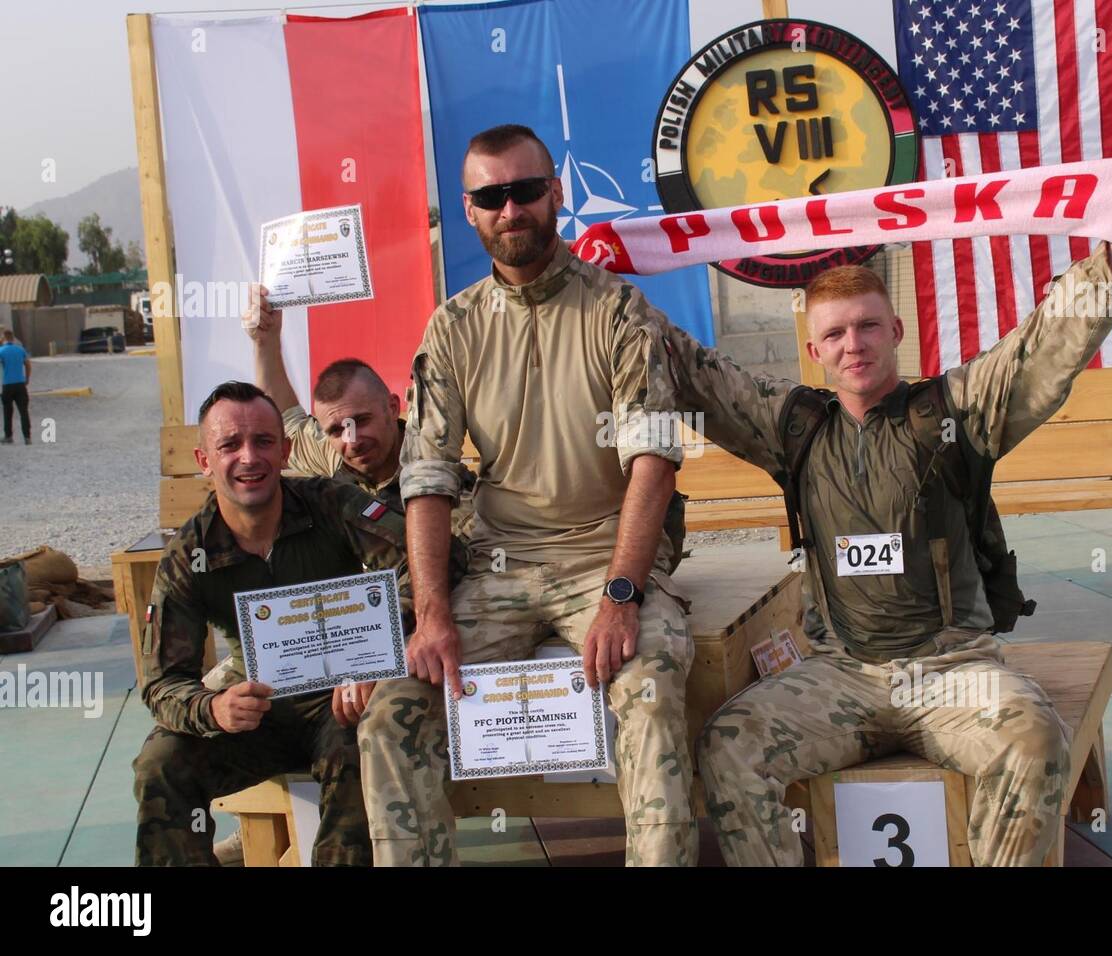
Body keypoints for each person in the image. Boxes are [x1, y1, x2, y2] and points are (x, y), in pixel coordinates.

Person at [653, 153, 1112, 867]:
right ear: (815, 350)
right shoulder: (794, 429)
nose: (853, 345)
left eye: (867, 327)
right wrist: (606, 289)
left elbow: (1042, 348)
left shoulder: (952, 411)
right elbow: (696, 375)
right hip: (840, 676)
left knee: (1033, 739)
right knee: (728, 746)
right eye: (835, 335)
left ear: (896, 331)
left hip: (951, 670)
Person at [358, 123, 695, 867]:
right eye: (491, 196)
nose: (512, 209)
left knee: (651, 688)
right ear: (471, 211)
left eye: (526, 190)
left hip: (603, 560)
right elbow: (426, 478)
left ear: (556, 193)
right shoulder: (452, 329)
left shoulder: (620, 313)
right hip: (501, 569)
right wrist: (435, 613)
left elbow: (654, 463)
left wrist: (621, 593)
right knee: (392, 715)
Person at [132, 380, 413, 866]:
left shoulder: (332, 505)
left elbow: (426, 564)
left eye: (263, 442)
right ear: (205, 461)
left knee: (366, 741)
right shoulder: (189, 555)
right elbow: (161, 684)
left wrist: (377, 654)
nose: (249, 458)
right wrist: (212, 707)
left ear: (284, 451)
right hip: (255, 711)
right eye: (229, 445)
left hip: (341, 702)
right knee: (162, 762)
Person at [239, 295, 475, 530]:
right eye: (336, 430)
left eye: (361, 421)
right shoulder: (336, 457)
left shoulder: (443, 484)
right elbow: (285, 421)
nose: (352, 441)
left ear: (392, 408)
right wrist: (265, 342)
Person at [0, 328, 32, 445]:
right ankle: (27, 437)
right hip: (20, 384)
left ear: (3, 338)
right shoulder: (20, 350)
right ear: (13, 338)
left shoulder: (1, 351)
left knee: (8, 412)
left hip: (7, 384)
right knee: (24, 411)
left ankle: (8, 436)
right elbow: (28, 364)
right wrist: (27, 378)